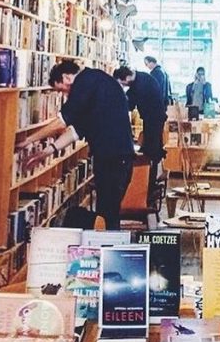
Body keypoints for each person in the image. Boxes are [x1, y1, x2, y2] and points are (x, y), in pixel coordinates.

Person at [17, 60, 135, 229]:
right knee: (107, 214)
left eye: (61, 90)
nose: (65, 96)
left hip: (112, 159)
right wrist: (47, 151)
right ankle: (106, 241)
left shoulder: (84, 82)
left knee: (107, 216)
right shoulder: (95, 85)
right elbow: (76, 131)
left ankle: (108, 244)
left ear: (66, 78)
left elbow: (62, 123)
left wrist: (28, 140)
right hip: (117, 158)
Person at [113, 65, 167, 162]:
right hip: (152, 117)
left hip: (154, 118)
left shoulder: (139, 85)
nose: (124, 86)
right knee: (152, 145)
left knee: (152, 148)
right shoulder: (141, 77)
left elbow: (130, 103)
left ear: (127, 78)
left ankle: (151, 168)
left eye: (123, 83)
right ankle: (152, 166)